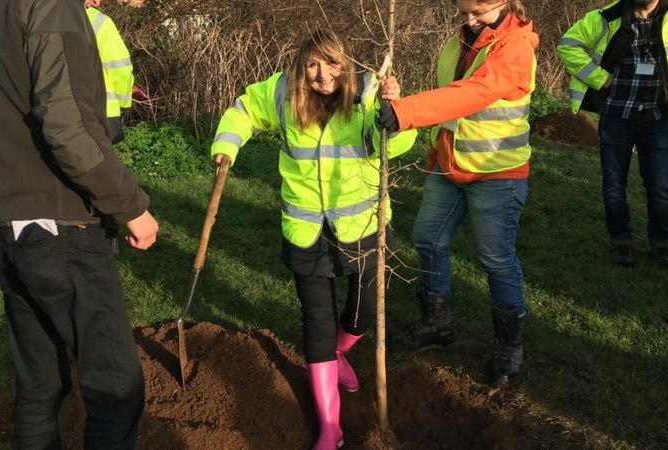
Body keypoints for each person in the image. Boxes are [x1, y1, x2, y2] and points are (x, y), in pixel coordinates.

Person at [0, 0, 159, 448]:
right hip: (59, 233)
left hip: (1, 233)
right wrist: (131, 206)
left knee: (39, 386)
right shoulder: (49, 6)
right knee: (116, 390)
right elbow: (67, 127)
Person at [211, 30, 416, 449]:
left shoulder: (369, 89)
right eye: (313, 65)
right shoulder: (283, 91)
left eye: (332, 63)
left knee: (363, 310)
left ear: (346, 62)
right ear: (302, 66)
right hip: (305, 229)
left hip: (362, 225)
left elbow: (399, 141)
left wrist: (394, 109)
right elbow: (243, 110)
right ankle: (330, 426)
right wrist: (227, 144)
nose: (323, 75)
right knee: (316, 320)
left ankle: (341, 351)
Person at [378, 0, 537, 385]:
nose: (467, 20)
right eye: (463, 11)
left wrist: (406, 112)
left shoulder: (515, 47)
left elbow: (473, 93)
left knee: (495, 258)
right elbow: (450, 101)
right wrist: (432, 147)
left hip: (497, 172)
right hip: (449, 164)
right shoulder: (457, 42)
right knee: (427, 238)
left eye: (477, 12)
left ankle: (508, 344)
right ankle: (437, 323)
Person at [557, 0, 668, 268]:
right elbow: (568, 44)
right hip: (617, 116)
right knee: (614, 185)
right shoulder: (606, 17)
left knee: (661, 186)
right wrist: (601, 78)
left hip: (656, 117)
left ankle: (661, 243)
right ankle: (621, 241)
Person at [85, 0, 134, 144]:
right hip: (102, 112)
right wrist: (124, 99)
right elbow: (120, 68)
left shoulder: (41, 19)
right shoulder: (100, 22)